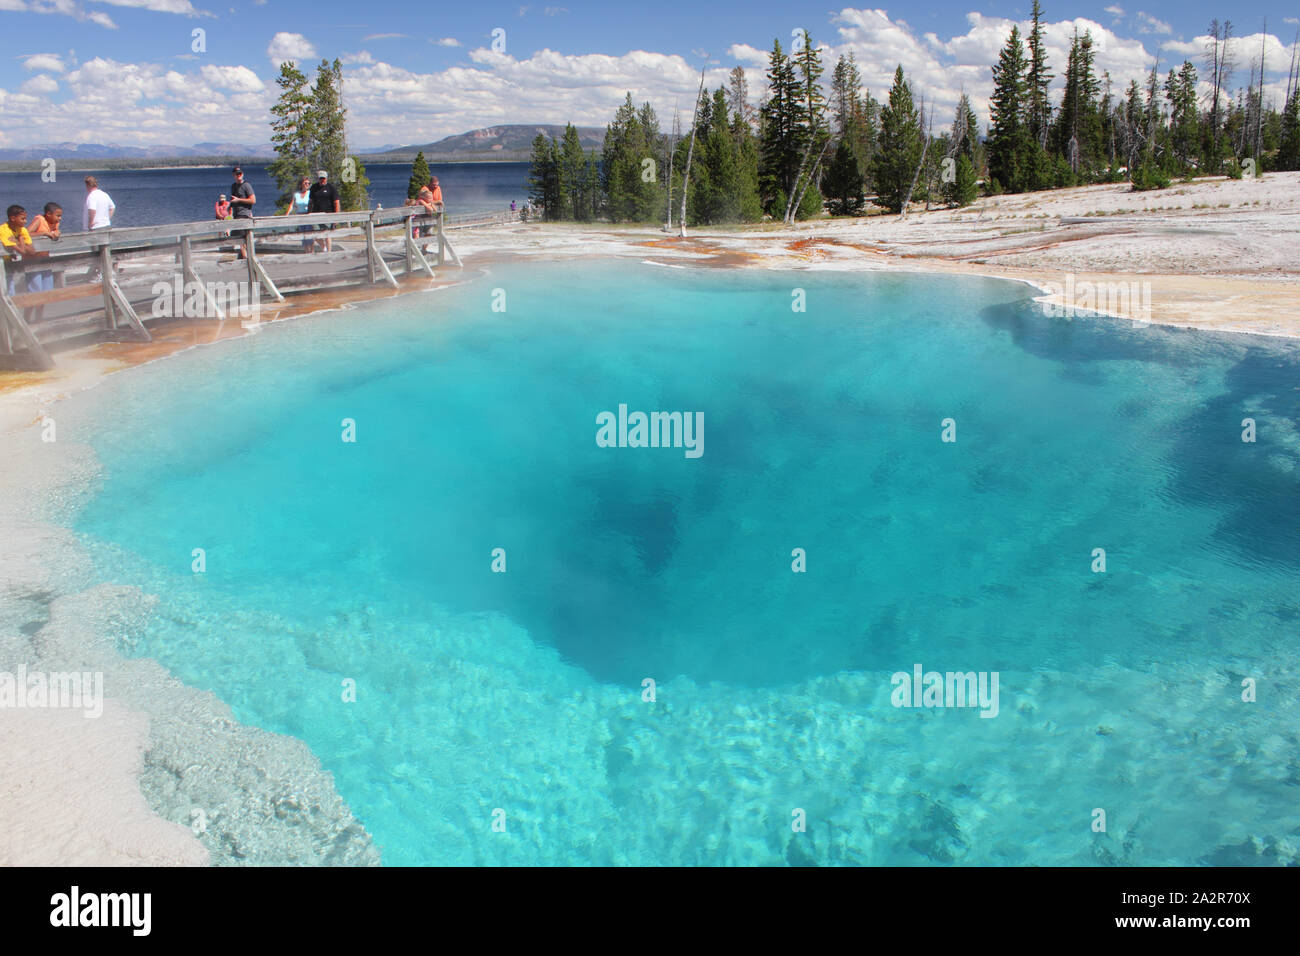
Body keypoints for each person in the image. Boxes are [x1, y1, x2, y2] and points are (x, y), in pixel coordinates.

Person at [1, 205, 50, 296]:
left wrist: (19, 241)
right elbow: (22, 252)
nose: (25, 221)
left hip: (8, 263)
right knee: (7, 292)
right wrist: (21, 240)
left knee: (10, 291)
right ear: (12, 218)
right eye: (22, 219)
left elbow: (32, 251)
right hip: (3, 264)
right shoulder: (4, 230)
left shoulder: (22, 230)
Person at [308, 168, 339, 252]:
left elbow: (336, 202)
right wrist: (309, 213)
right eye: (320, 178)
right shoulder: (314, 187)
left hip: (328, 215)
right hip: (315, 215)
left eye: (323, 178)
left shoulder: (331, 188)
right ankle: (323, 247)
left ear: (326, 178)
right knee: (316, 234)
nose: (322, 180)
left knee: (327, 235)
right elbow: (310, 202)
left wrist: (337, 216)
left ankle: (329, 253)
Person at [229, 166, 256, 259]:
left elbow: (253, 200)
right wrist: (230, 213)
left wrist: (239, 200)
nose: (238, 175)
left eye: (240, 173)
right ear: (233, 175)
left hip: (244, 214)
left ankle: (246, 258)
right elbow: (233, 201)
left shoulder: (246, 185)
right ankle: (245, 257)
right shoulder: (233, 186)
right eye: (236, 174)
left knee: (243, 238)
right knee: (237, 238)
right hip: (236, 215)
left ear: (242, 174)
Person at [285, 176, 313, 251]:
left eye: (308, 183)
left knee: (310, 234)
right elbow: (292, 205)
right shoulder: (296, 194)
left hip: (308, 216)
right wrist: (287, 214)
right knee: (303, 235)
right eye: (305, 183)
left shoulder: (310, 193)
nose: (307, 184)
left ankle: (312, 251)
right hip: (299, 216)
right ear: (301, 184)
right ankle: (307, 253)